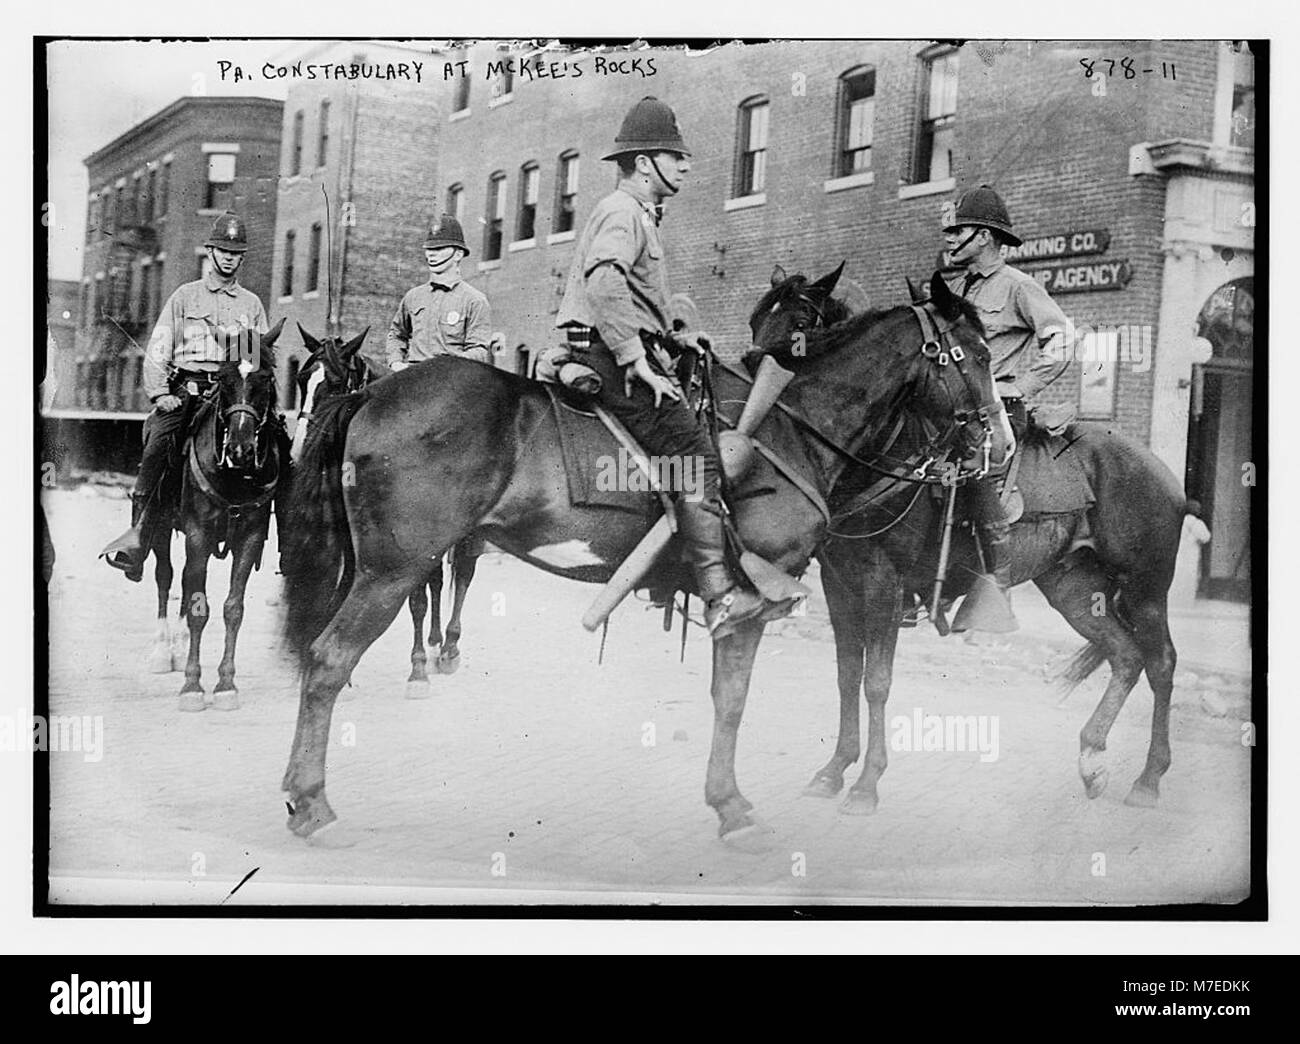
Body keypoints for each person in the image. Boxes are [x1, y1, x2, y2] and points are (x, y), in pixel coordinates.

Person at [555, 96, 774, 637]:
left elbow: (626, 292)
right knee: (698, 460)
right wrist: (635, 357)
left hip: (617, 348)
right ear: (646, 162)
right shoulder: (624, 211)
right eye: (676, 157)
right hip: (608, 358)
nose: (686, 165)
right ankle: (718, 596)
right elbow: (604, 282)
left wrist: (673, 335)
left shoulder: (638, 216)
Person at [101, 212, 277, 581]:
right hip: (189, 392)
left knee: (282, 448)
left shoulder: (252, 304)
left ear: (242, 258)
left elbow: (261, 357)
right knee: (155, 451)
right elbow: (159, 348)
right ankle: (136, 540)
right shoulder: (185, 296)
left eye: (236, 252)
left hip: (236, 395)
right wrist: (159, 393)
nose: (229, 258)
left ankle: (288, 542)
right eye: (223, 250)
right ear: (210, 251)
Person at [942, 183, 1070, 630]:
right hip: (954, 408)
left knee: (977, 478)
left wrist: (1021, 387)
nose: (950, 238)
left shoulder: (1019, 287)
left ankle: (994, 591)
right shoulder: (957, 289)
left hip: (996, 413)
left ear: (985, 237)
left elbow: (1061, 340)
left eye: (960, 230)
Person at [385, 215, 492, 373]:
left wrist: (448, 367)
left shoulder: (474, 300)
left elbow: (479, 350)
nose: (431, 254)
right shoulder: (413, 297)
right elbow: (396, 334)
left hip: (451, 381)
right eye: (429, 249)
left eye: (439, 249)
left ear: (458, 254)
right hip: (412, 378)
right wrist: (396, 363)